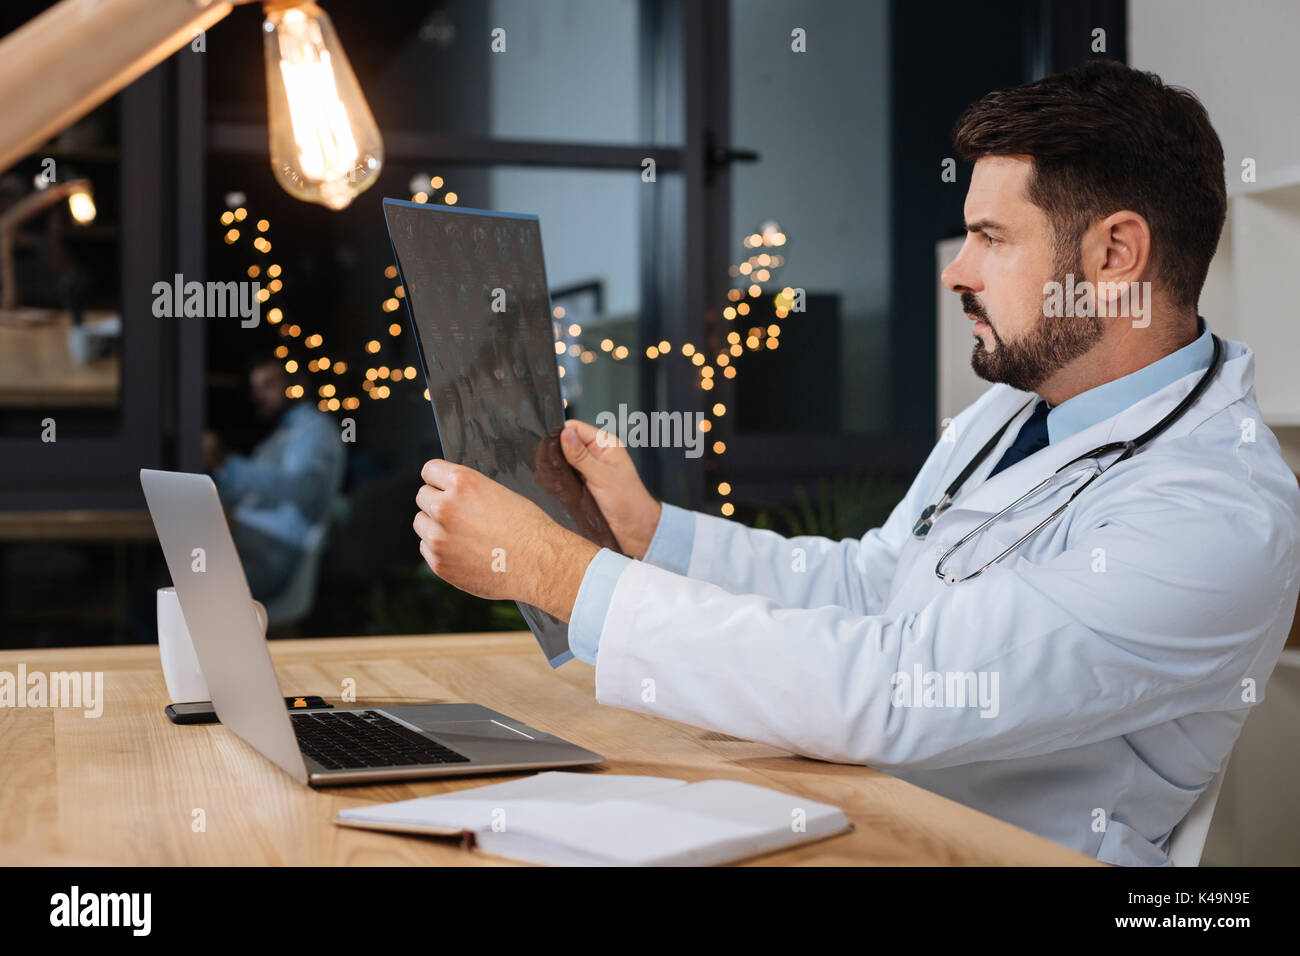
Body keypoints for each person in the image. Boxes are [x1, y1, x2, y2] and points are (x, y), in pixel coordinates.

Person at [409, 61, 1300, 866]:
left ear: (1113, 255)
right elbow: (877, 583)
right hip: (861, 813)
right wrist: (650, 533)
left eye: (992, 238)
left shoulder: (1216, 515)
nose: (958, 271)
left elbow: (899, 685)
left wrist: (557, 572)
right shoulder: (1020, 409)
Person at [205, 348, 345, 604]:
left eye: (268, 384)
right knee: (172, 576)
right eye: (256, 388)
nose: (260, 396)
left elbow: (302, 489)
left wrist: (227, 464)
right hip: (250, 540)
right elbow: (250, 493)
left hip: (274, 550)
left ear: (296, 382)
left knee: (186, 586)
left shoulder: (316, 429)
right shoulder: (280, 433)